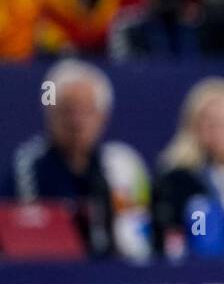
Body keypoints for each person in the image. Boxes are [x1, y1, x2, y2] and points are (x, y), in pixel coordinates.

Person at [1, 59, 151, 260]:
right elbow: (26, 237)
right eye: (67, 111)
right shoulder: (27, 164)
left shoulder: (122, 165)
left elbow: (138, 239)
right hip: (51, 274)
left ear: (102, 117)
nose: (76, 122)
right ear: (50, 114)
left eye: (85, 111)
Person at [153, 78, 224, 259]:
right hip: (196, 272)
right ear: (193, 127)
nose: (218, 130)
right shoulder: (176, 181)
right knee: (201, 211)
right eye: (210, 121)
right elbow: (181, 231)